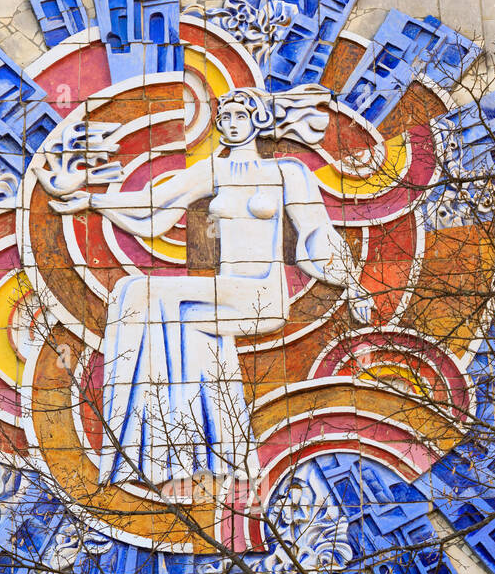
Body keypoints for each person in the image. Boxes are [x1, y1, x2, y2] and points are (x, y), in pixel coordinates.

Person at [43, 84, 369, 491]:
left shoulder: (286, 172)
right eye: (225, 118)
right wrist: (91, 202)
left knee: (145, 294)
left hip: (261, 295)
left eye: (240, 117)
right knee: (153, 306)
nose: (231, 125)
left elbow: (316, 233)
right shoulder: (214, 170)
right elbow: (153, 204)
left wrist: (352, 283)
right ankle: (176, 452)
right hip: (223, 290)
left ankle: (164, 448)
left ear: (259, 121)